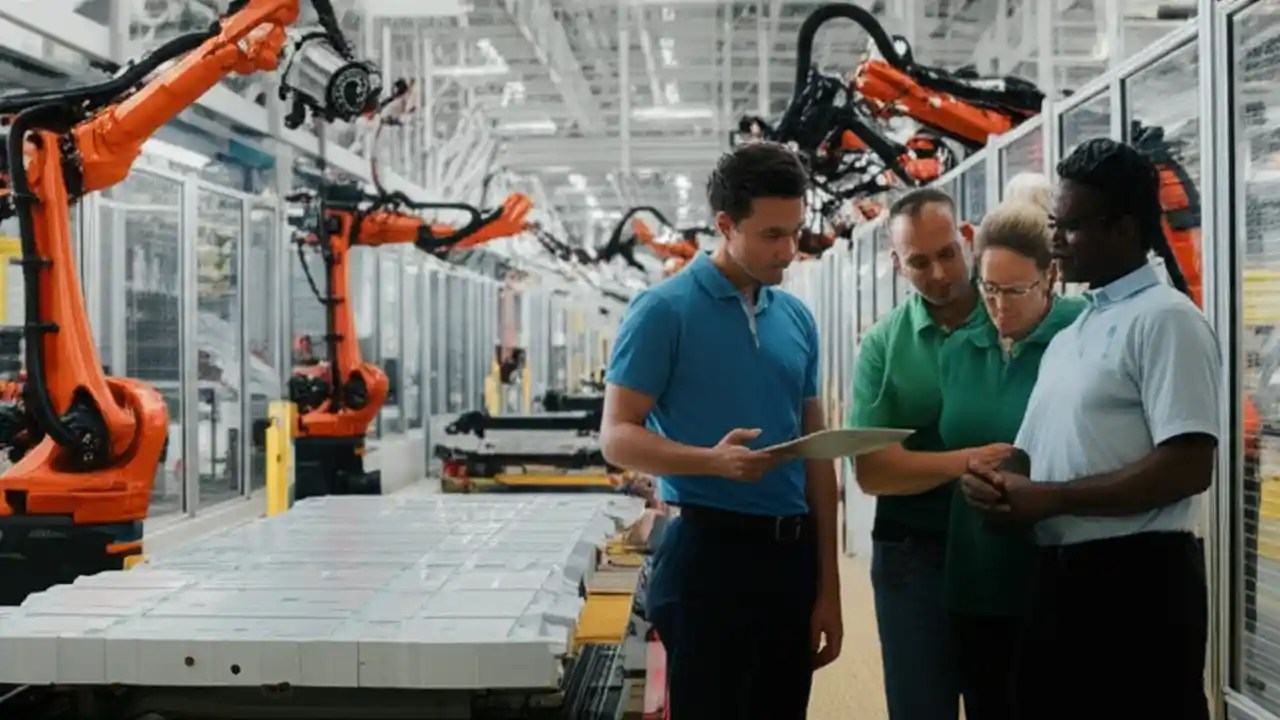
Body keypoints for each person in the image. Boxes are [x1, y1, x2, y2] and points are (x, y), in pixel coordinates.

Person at [960, 138, 1220, 720]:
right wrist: (996, 482)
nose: (1054, 240)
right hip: (1060, 581)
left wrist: (1047, 499)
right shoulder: (1075, 333)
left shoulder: (1167, 320)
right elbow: (1032, 454)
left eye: (1070, 227)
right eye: (1055, 222)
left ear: (1125, 228)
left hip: (1138, 584)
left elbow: (1188, 465)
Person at [599, 141, 842, 719]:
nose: (788, 251)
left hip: (791, 558)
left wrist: (828, 588)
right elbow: (616, 436)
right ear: (725, 225)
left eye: (795, 232)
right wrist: (711, 461)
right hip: (709, 560)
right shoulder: (663, 311)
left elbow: (818, 459)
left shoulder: (796, 318)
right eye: (771, 235)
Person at [850, 187, 1013, 719]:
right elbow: (874, 470)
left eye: (946, 253)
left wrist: (920, 462)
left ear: (967, 239)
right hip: (912, 557)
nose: (940, 274)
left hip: (1005, 549)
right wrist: (969, 460)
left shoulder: (1014, 317)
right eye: (919, 262)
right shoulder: (883, 345)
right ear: (897, 266)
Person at [936, 201, 1086, 720]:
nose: (999, 305)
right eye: (989, 288)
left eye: (1015, 290)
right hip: (974, 576)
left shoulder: (1079, 338)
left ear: (1051, 278)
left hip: (1055, 578)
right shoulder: (959, 349)